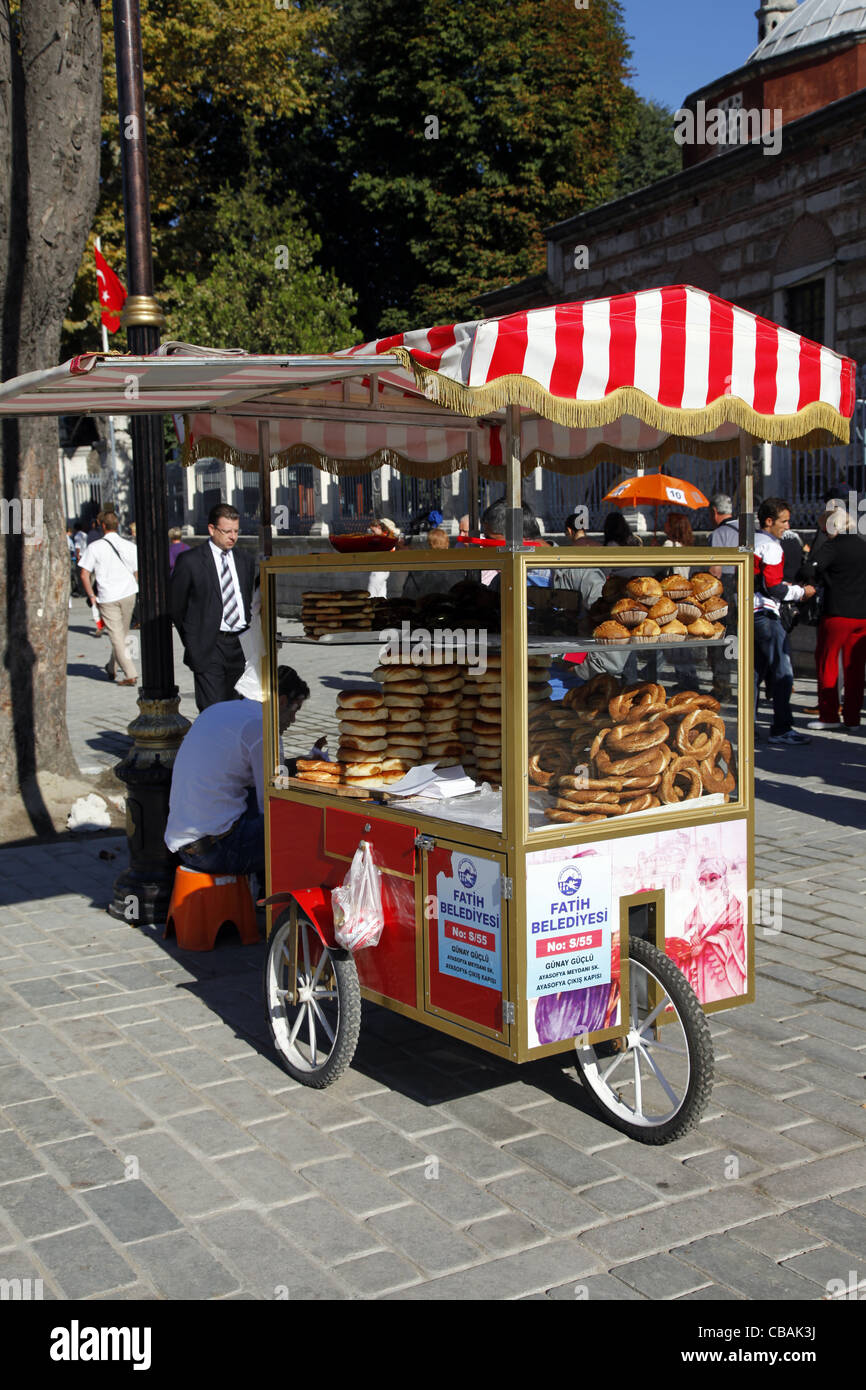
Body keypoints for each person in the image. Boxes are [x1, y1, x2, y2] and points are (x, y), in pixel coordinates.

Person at [165, 666, 310, 885]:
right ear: (281, 701)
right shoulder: (264, 727)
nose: (294, 720)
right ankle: (281, 904)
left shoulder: (218, 710)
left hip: (183, 842)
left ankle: (262, 891)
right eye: (295, 709)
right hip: (217, 850)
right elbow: (271, 804)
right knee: (305, 829)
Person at [171, 502, 259, 711]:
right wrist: (192, 639)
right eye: (227, 531)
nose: (232, 537)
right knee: (213, 711)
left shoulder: (244, 559)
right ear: (212, 529)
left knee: (239, 709)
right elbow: (175, 605)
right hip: (209, 646)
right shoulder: (191, 560)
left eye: (236, 531)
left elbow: (247, 596)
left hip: (240, 645)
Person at [753, 497, 816, 745]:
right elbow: (774, 588)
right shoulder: (771, 547)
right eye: (784, 521)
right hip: (766, 614)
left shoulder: (751, 542)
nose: (787, 526)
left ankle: (750, 723)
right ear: (769, 521)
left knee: (754, 673)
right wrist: (801, 592)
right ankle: (781, 727)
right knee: (782, 672)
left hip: (750, 612)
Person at [801, 508, 866, 730]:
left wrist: (821, 577)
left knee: (828, 663)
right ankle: (853, 718)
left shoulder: (833, 547)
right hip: (862, 615)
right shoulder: (863, 544)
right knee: (855, 668)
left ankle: (829, 715)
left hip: (837, 612)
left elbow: (810, 567)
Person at [78, 511, 139, 685]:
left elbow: (84, 573)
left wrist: (91, 595)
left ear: (102, 525)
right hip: (128, 593)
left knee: (117, 636)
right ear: (117, 525)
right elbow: (137, 571)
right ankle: (112, 667)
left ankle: (130, 673)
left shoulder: (95, 547)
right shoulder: (129, 546)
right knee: (122, 635)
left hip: (108, 596)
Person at [708, 493, 739, 702]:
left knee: (720, 639)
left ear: (714, 511)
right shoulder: (746, 530)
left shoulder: (719, 534)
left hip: (725, 589)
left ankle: (723, 686)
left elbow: (715, 570)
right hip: (745, 589)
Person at [366, 517, 400, 599]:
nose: (373, 533)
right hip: (385, 569)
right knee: (382, 595)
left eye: (373, 531)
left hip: (379, 568)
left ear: (379, 527)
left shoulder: (383, 538)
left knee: (371, 595)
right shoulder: (389, 536)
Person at [662, 512, 693, 577]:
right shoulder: (685, 545)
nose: (664, 524)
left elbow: (656, 567)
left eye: (667, 522)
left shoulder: (669, 545)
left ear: (673, 526)